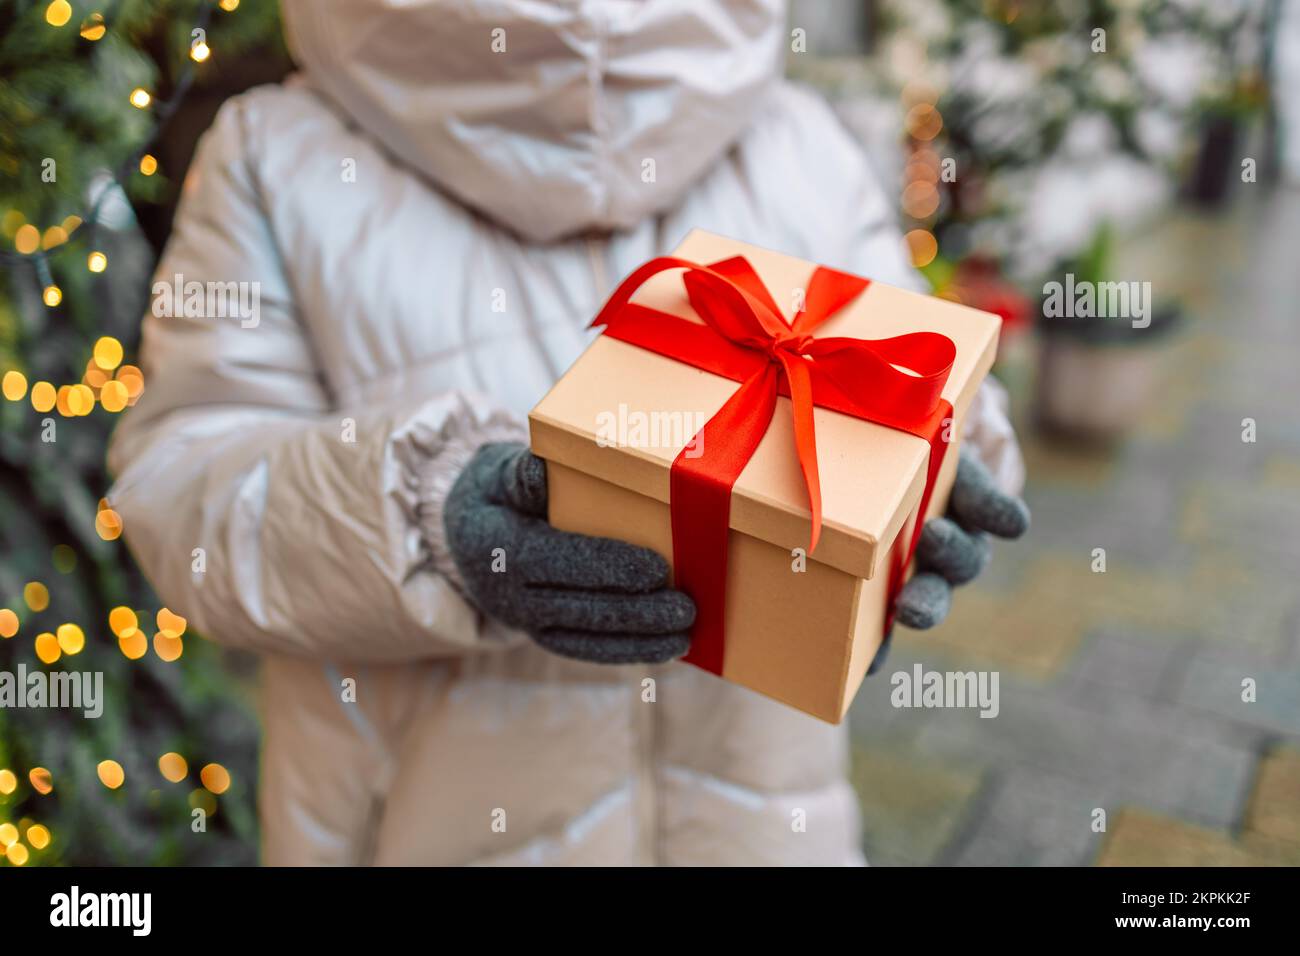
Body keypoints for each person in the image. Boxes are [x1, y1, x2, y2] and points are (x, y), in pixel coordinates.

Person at [108, 0, 1027, 865]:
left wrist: (945, 460)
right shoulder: (274, 156)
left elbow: (892, 362)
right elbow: (180, 489)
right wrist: (426, 518)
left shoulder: (796, 138)